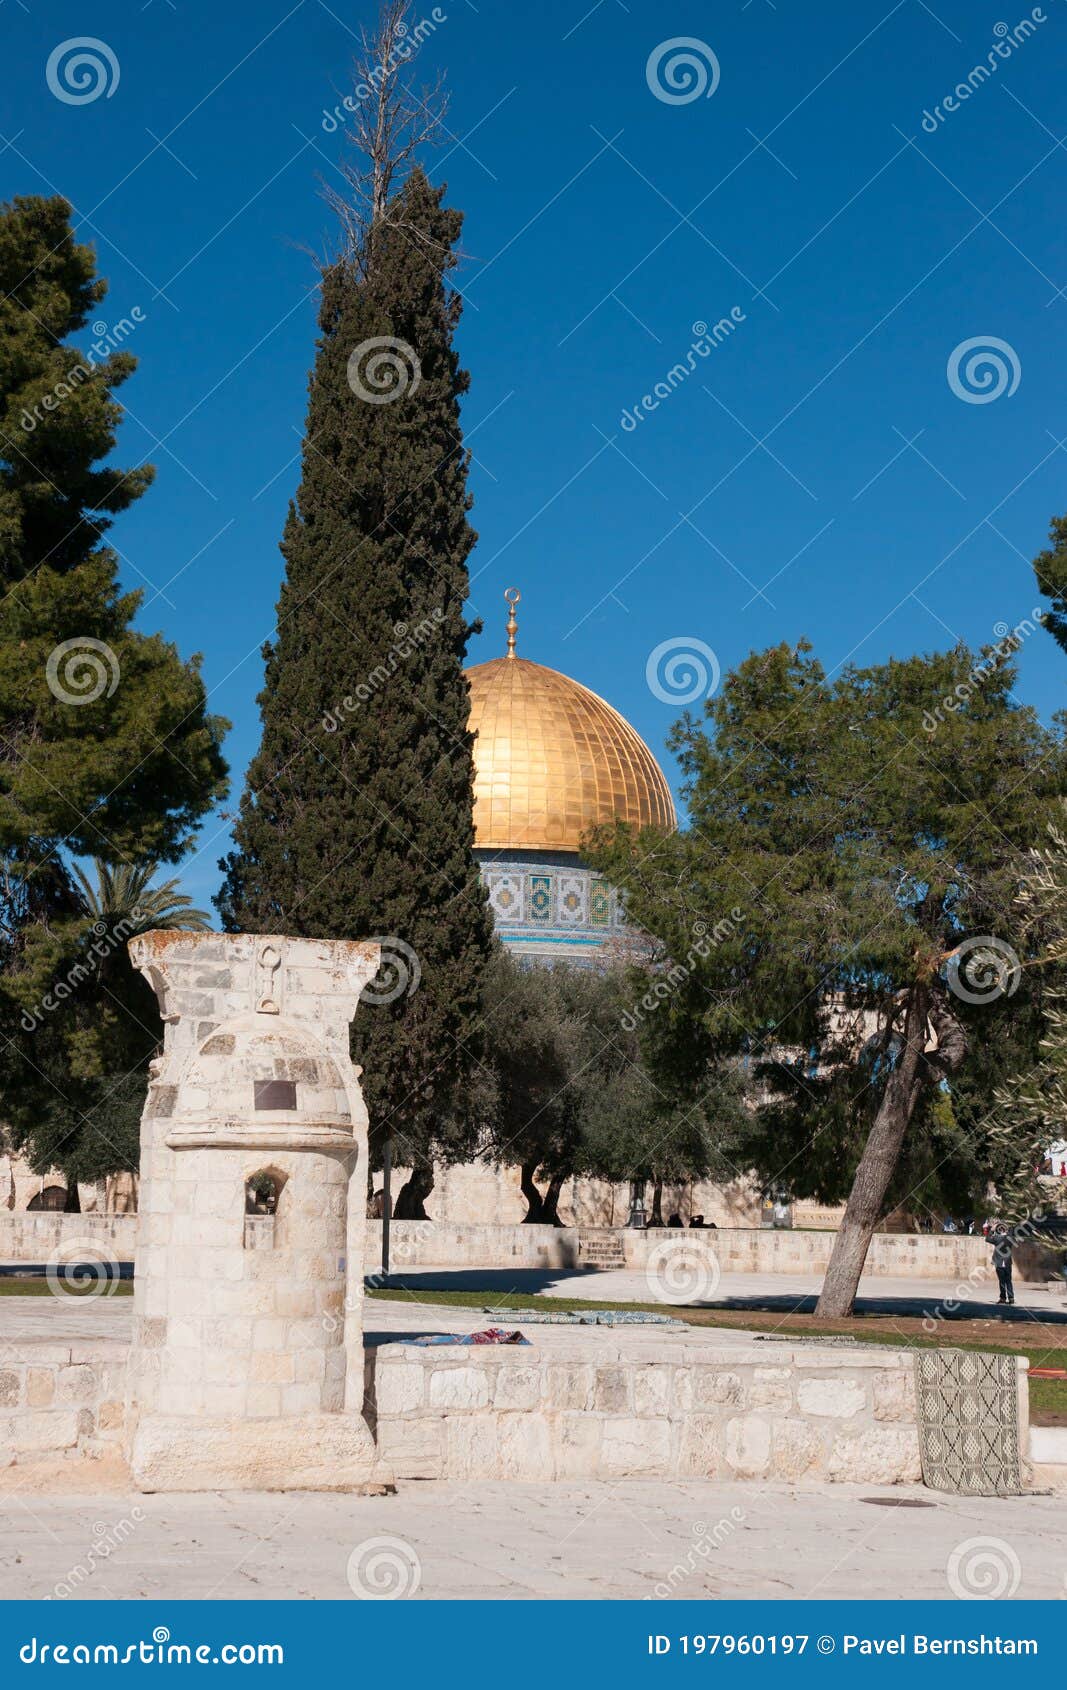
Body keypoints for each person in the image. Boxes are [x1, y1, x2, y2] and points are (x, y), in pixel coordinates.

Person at [991, 1225, 1015, 1306]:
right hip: (1007, 1262)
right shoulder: (1010, 1238)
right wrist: (1009, 1230)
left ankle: (1003, 1298)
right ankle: (1011, 1298)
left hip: (999, 1263)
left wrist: (992, 1230)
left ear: (999, 1231)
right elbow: (1011, 1233)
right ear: (1006, 1231)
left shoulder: (996, 1238)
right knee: (1008, 1281)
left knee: (1002, 1281)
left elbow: (987, 1239)